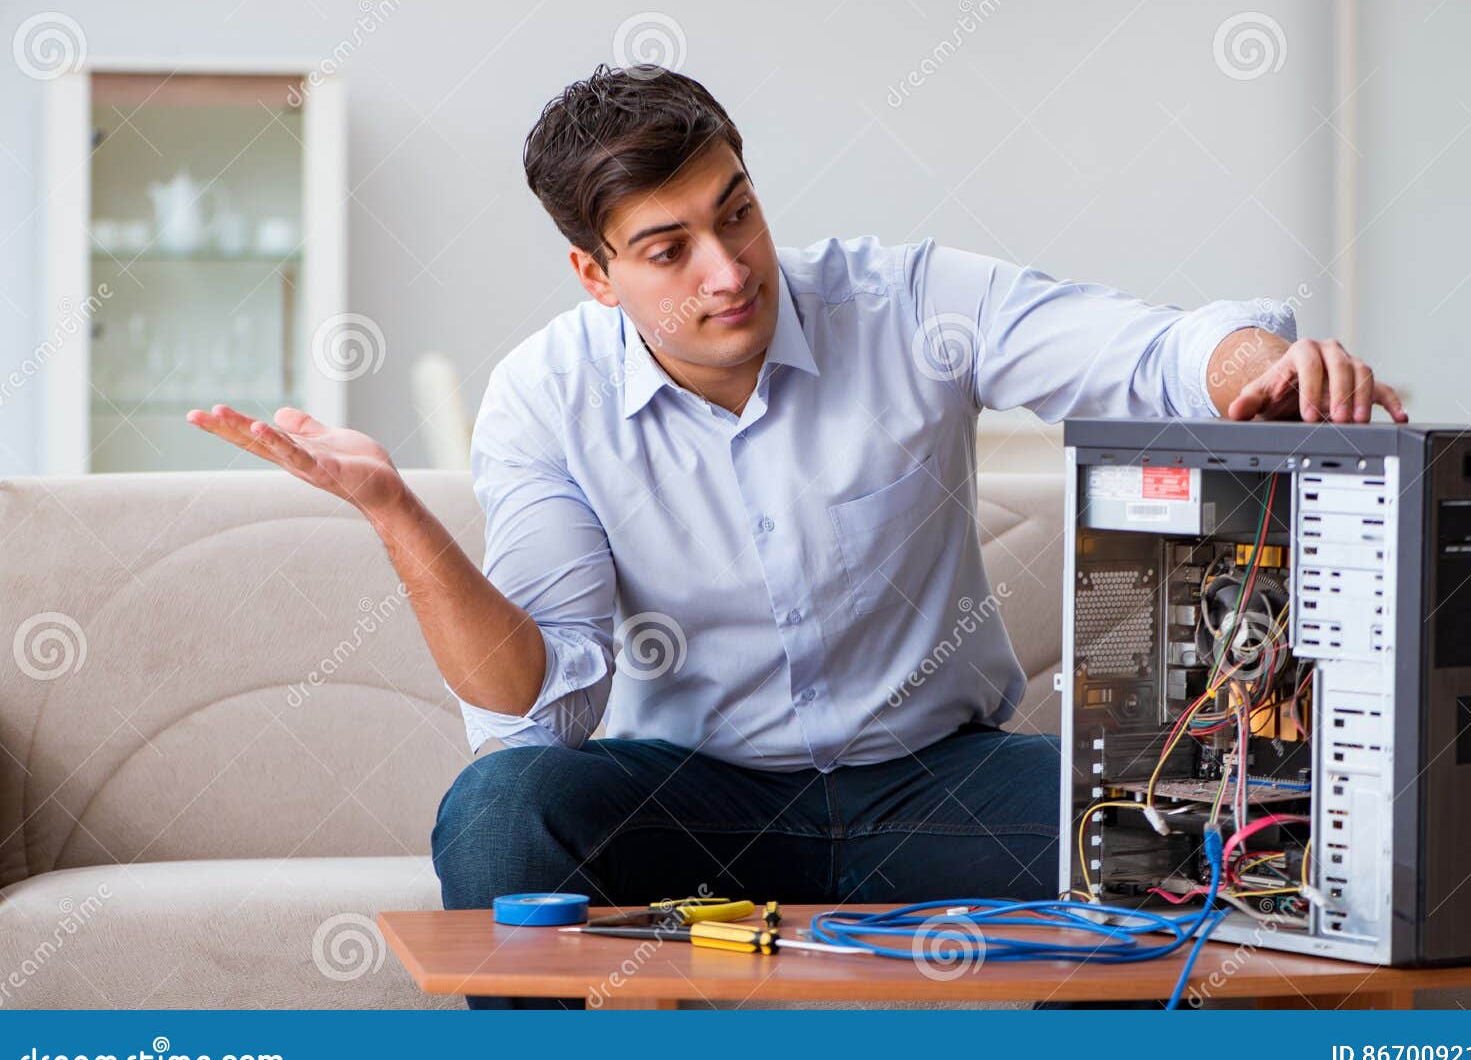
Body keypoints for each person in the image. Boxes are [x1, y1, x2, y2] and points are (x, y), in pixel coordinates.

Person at [188, 64, 1406, 1009]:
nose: (728, 271)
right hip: (699, 803)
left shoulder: (906, 301)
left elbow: (1146, 352)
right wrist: (396, 512)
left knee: (1221, 830)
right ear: (595, 275)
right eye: (668, 249)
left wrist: (1269, 368)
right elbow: (542, 701)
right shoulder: (544, 397)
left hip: (933, 784)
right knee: (503, 807)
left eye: (738, 214)